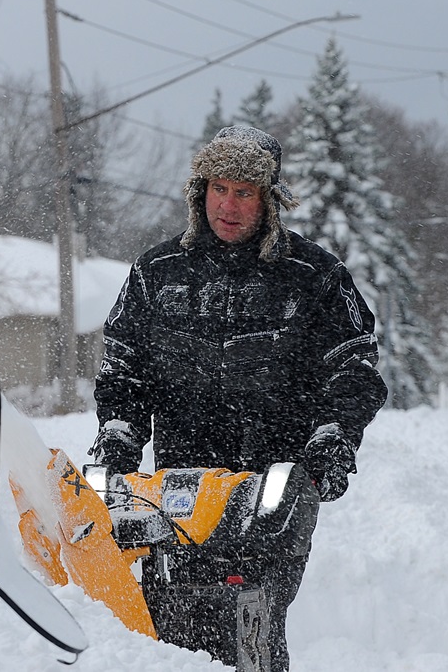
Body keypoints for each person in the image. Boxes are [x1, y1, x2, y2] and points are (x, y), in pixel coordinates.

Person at [89, 125, 389, 671]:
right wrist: (119, 433)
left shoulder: (314, 276)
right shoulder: (157, 273)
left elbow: (353, 367)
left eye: (244, 192)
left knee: (250, 625)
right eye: (218, 188)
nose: (228, 205)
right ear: (199, 192)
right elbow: (124, 367)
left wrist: (333, 437)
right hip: (177, 488)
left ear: (268, 201)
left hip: (270, 487)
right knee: (169, 622)